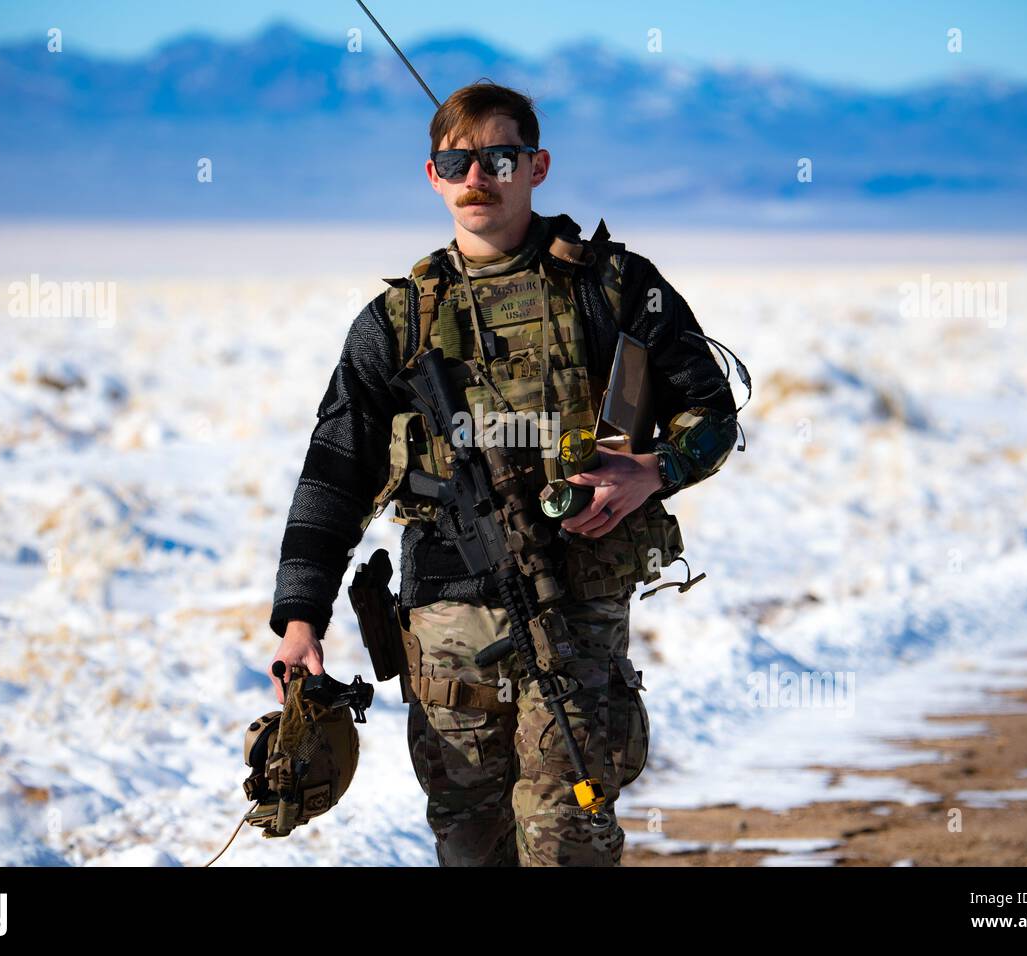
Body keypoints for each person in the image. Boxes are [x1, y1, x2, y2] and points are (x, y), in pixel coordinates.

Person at [267, 81, 740, 865]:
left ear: (538, 165)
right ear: (432, 176)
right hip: (443, 629)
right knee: (470, 847)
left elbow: (713, 413)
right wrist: (299, 620)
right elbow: (335, 471)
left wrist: (651, 470)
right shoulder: (398, 321)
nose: (477, 175)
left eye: (499, 156)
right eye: (456, 160)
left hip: (575, 611)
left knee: (567, 838)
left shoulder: (614, 286)